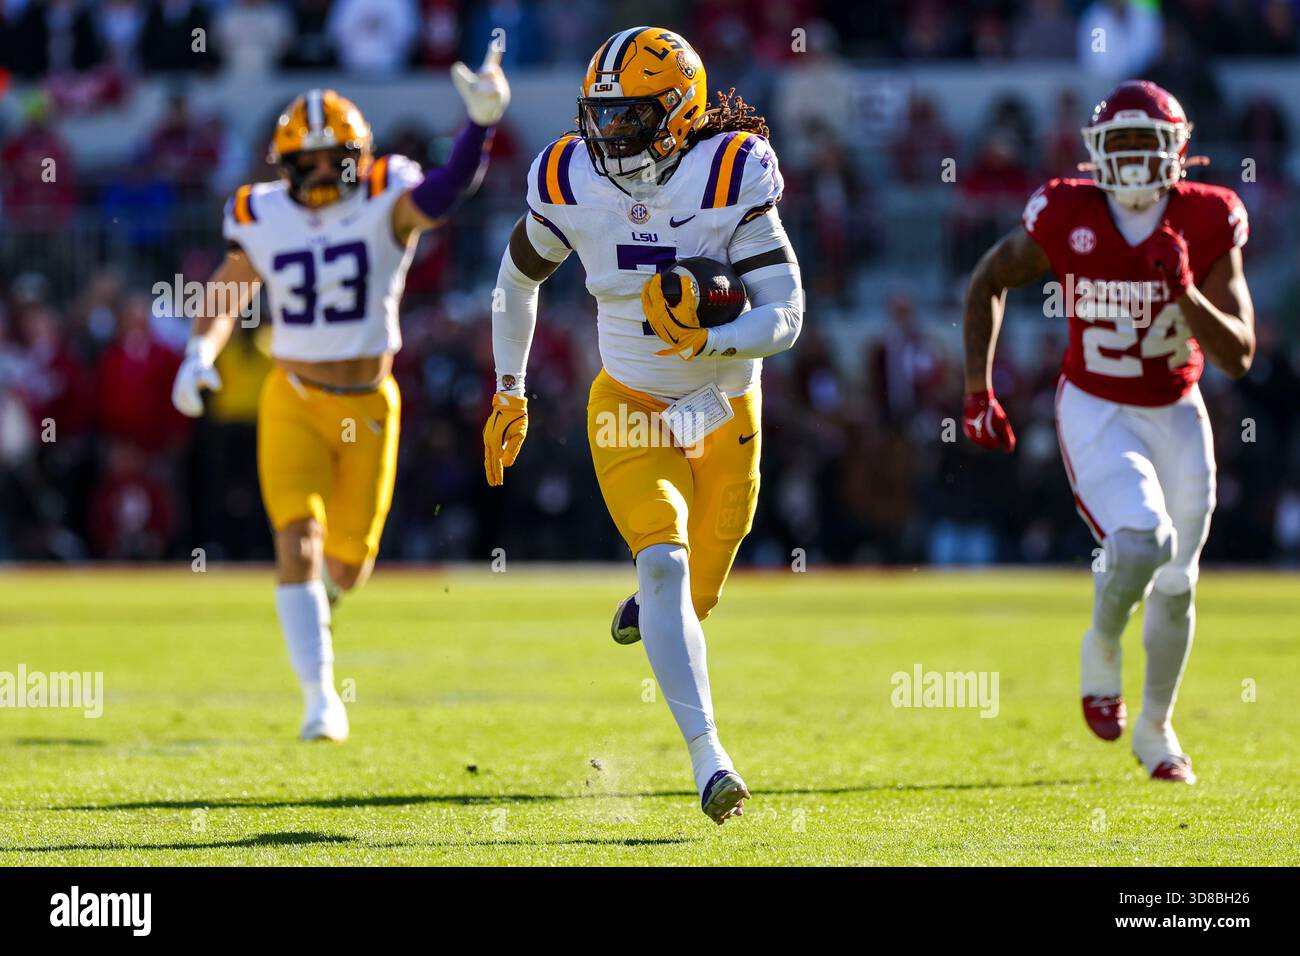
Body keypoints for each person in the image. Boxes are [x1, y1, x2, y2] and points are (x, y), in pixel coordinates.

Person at [483, 27, 802, 823]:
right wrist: (509, 387)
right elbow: (516, 280)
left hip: (725, 409)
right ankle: (709, 761)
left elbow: (788, 313)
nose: (605, 134)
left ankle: (658, 609)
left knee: (699, 592)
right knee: (663, 565)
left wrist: (714, 335)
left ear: (676, 111)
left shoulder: (729, 173)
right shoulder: (567, 177)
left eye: (627, 117)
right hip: (628, 406)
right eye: (600, 115)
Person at [170, 49, 510, 742]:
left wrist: (478, 125)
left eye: (337, 159)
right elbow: (229, 289)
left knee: (350, 563)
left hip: (368, 402)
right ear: (284, 165)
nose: (325, 174)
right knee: (295, 537)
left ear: (360, 156)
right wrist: (199, 350)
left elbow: (445, 192)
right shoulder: (261, 213)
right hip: (292, 394)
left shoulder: (387, 192)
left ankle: (317, 612)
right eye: (311, 161)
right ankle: (320, 696)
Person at [961, 81, 1254, 783]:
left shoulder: (1210, 217)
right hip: (1096, 404)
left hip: (1177, 410)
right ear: (1095, 152)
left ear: (1178, 152)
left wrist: (1183, 291)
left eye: (1144, 143)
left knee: (1180, 582)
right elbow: (987, 281)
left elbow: (1239, 355)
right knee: (1141, 538)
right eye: (1117, 144)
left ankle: (1156, 731)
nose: (1129, 160)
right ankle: (1101, 645)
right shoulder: (1067, 212)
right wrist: (977, 388)